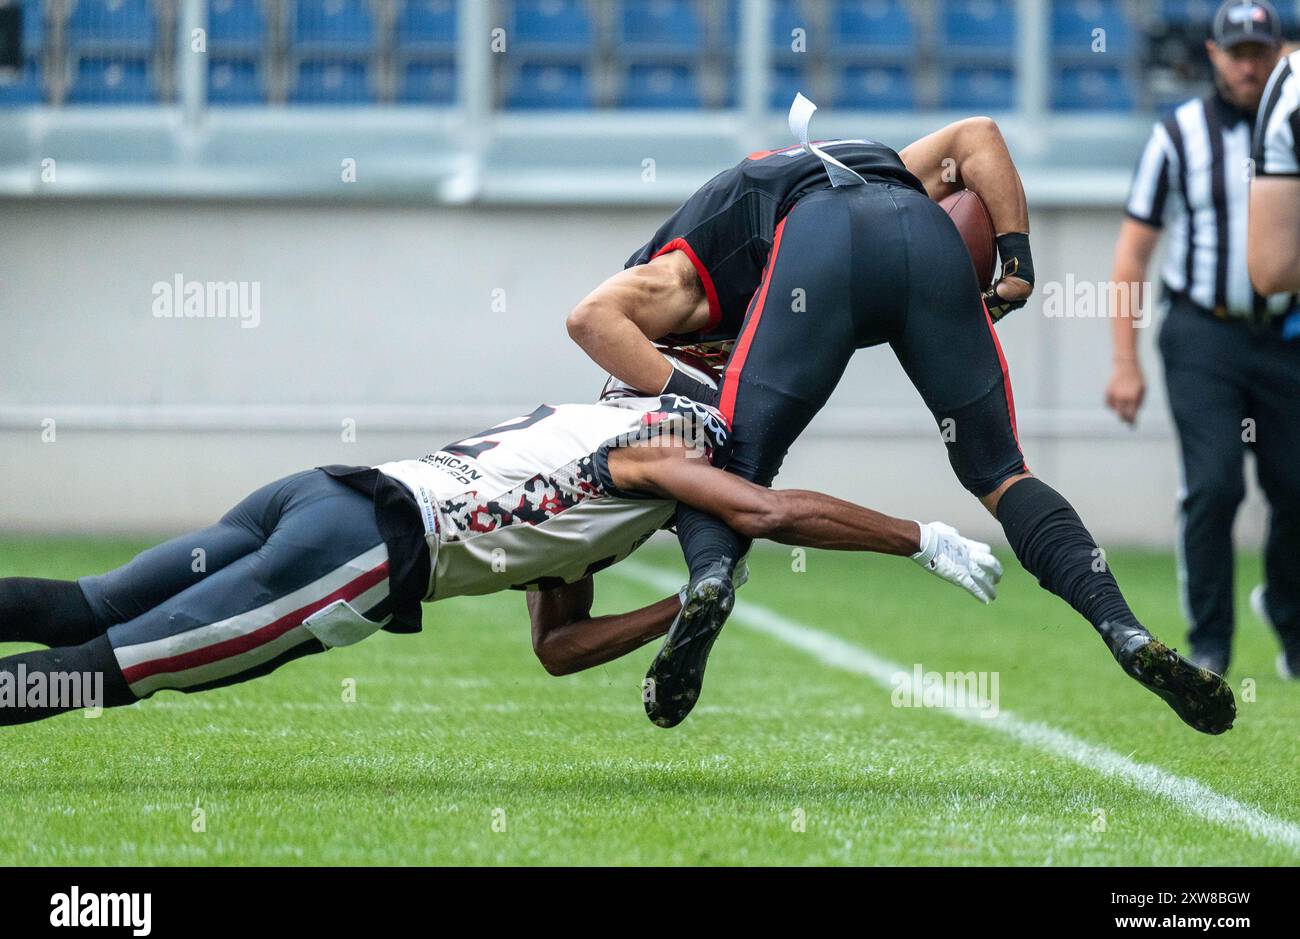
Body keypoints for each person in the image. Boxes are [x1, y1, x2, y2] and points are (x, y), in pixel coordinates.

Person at [565, 97, 1236, 734]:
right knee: (1002, 471)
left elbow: (589, 318)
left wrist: (705, 404)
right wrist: (1017, 264)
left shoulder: (671, 276)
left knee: (725, 465)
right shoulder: (870, 163)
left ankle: (710, 582)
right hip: (925, 236)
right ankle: (1123, 627)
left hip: (818, 238)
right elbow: (979, 136)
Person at [0, 355, 1001, 725]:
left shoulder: (584, 457)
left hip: (319, 495)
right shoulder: (655, 445)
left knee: (93, 606)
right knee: (120, 667)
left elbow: (556, 646)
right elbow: (771, 514)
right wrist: (918, 535)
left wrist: (690, 607)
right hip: (369, 547)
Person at [1110, 0, 1298, 678]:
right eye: (1236, 52)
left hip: (1286, 335)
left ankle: (1287, 613)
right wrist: (1124, 361)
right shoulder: (1178, 134)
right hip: (1202, 334)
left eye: (1260, 51)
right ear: (1214, 56)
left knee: (1296, 488)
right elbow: (1132, 255)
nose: (1249, 65)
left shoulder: (1295, 123)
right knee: (1215, 484)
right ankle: (1211, 641)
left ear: (1279, 53)